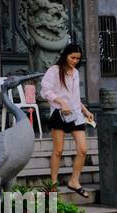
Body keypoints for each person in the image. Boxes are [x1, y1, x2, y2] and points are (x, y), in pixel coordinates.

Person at [40, 43, 94, 197]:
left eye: (78, 59)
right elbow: (45, 91)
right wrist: (60, 102)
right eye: (73, 57)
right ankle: (53, 184)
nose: (75, 61)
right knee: (58, 151)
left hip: (76, 115)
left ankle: (74, 181)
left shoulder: (75, 73)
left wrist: (86, 111)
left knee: (83, 150)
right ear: (65, 56)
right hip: (59, 114)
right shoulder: (54, 70)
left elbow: (75, 97)